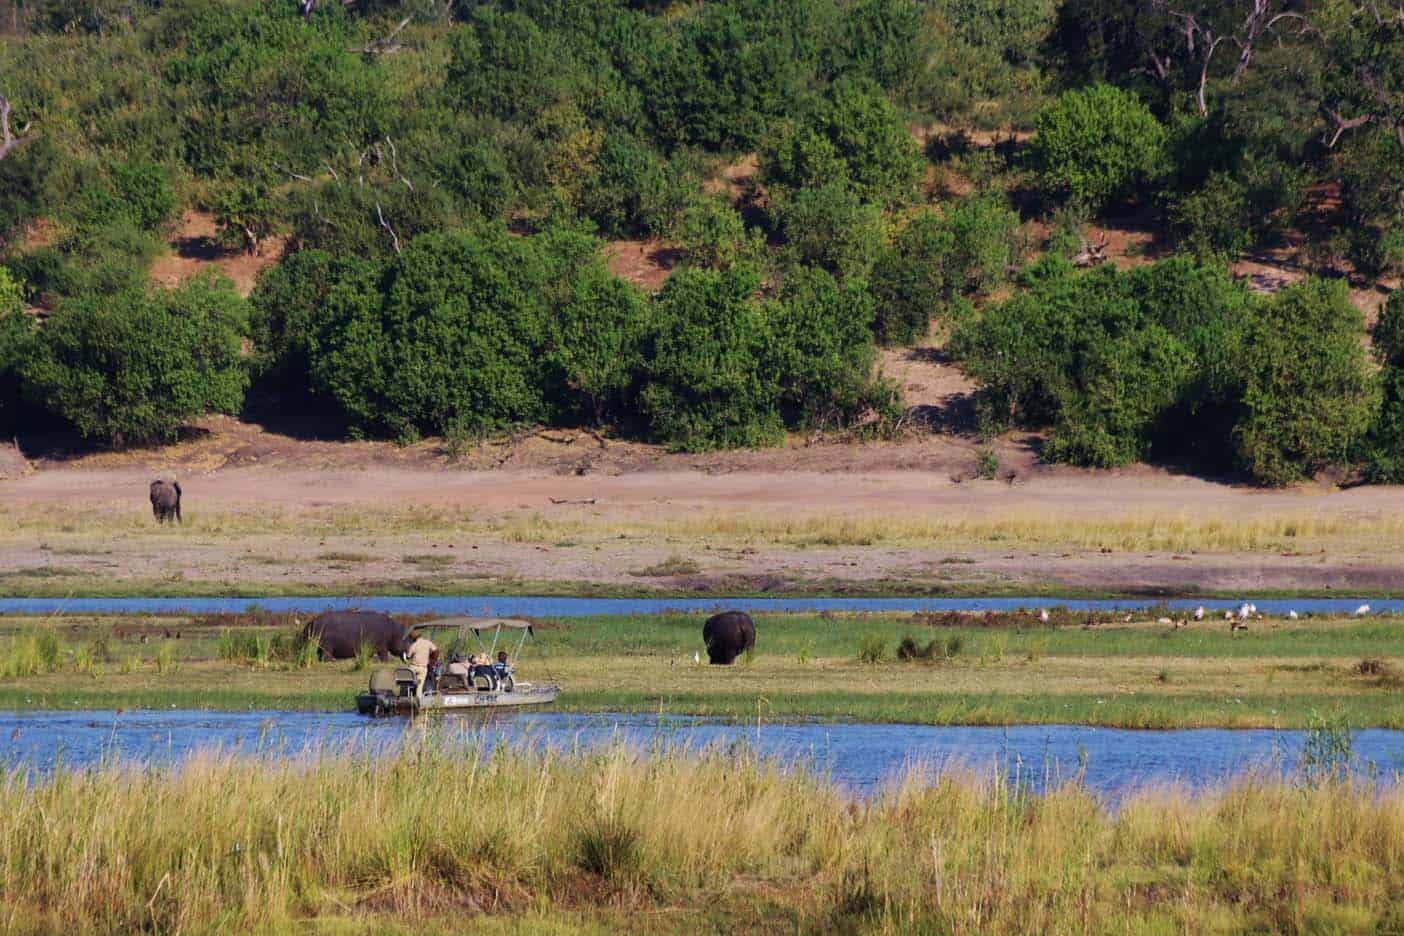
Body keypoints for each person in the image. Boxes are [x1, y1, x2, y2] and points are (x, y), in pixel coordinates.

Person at [402, 630, 438, 702]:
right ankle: (419, 700)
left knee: (408, 682)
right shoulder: (428, 642)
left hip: (413, 667)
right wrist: (432, 660)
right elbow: (436, 650)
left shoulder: (413, 645)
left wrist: (405, 656)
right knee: (420, 686)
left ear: (413, 638)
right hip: (423, 668)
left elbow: (408, 657)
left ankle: (406, 696)